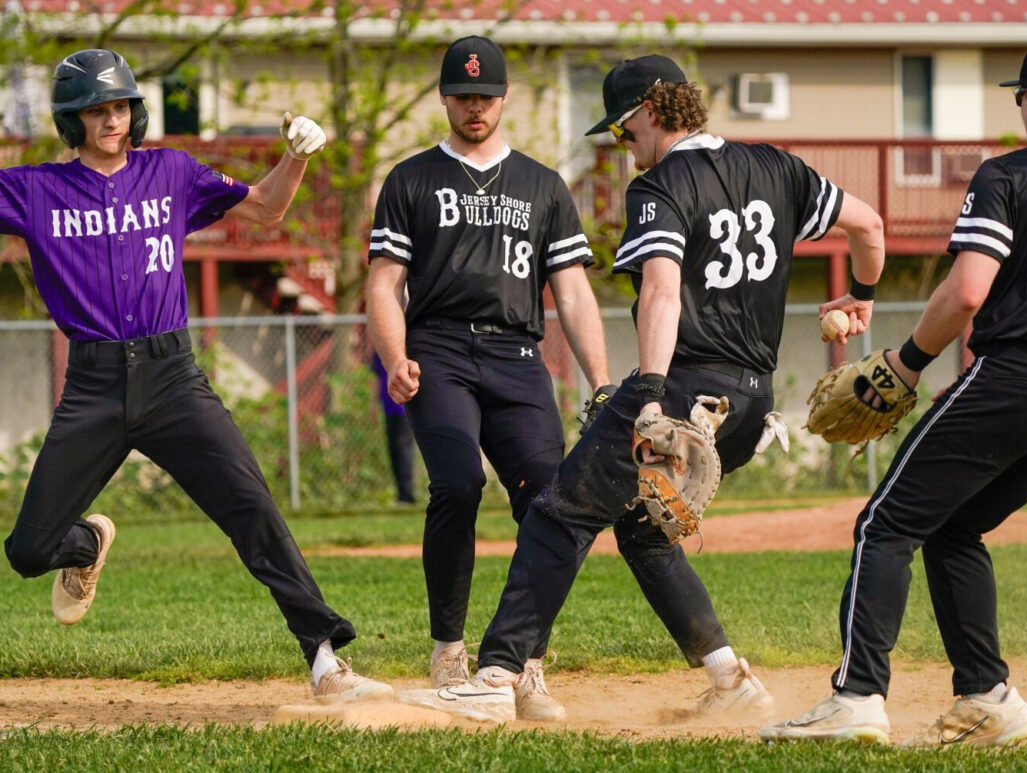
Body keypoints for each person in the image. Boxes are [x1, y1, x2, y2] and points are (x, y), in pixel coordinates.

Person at [397, 54, 886, 723]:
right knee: (643, 529)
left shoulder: (661, 187)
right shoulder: (779, 166)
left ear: (652, 113)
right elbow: (870, 227)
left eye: (626, 134)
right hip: (749, 402)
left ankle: (496, 672)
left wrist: (650, 394)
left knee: (556, 510)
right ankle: (728, 675)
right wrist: (861, 296)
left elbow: (660, 290)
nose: (626, 151)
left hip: (684, 384)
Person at [0, 48, 392, 705]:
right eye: (96, 110)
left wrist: (296, 155)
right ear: (73, 119)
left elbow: (266, 208)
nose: (111, 119)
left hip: (171, 377)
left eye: (120, 106)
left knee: (252, 508)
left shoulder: (170, 172)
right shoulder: (36, 189)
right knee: (28, 549)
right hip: (93, 382)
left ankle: (325, 660)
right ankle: (87, 541)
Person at [762, 36, 1027, 746]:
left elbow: (968, 290)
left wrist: (908, 362)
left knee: (885, 523)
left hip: (1019, 376)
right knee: (955, 524)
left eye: (1019, 95)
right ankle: (987, 695)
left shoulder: (1010, 173)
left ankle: (857, 697)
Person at [365, 35, 613, 722]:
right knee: (458, 482)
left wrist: (602, 382)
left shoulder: (542, 185)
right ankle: (449, 647)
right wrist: (395, 356)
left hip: (518, 355)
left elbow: (572, 292)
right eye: (463, 95)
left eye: (486, 95)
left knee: (551, 501)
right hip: (438, 348)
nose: (475, 107)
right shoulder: (411, 179)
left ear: (505, 99)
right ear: (445, 98)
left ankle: (522, 660)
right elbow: (384, 284)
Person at [370, 352, 417, 504]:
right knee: (394, 449)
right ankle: (402, 494)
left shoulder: (407, 345)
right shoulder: (380, 348)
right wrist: (373, 403)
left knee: (403, 449)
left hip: (405, 407)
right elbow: (376, 377)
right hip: (388, 406)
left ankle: (407, 494)